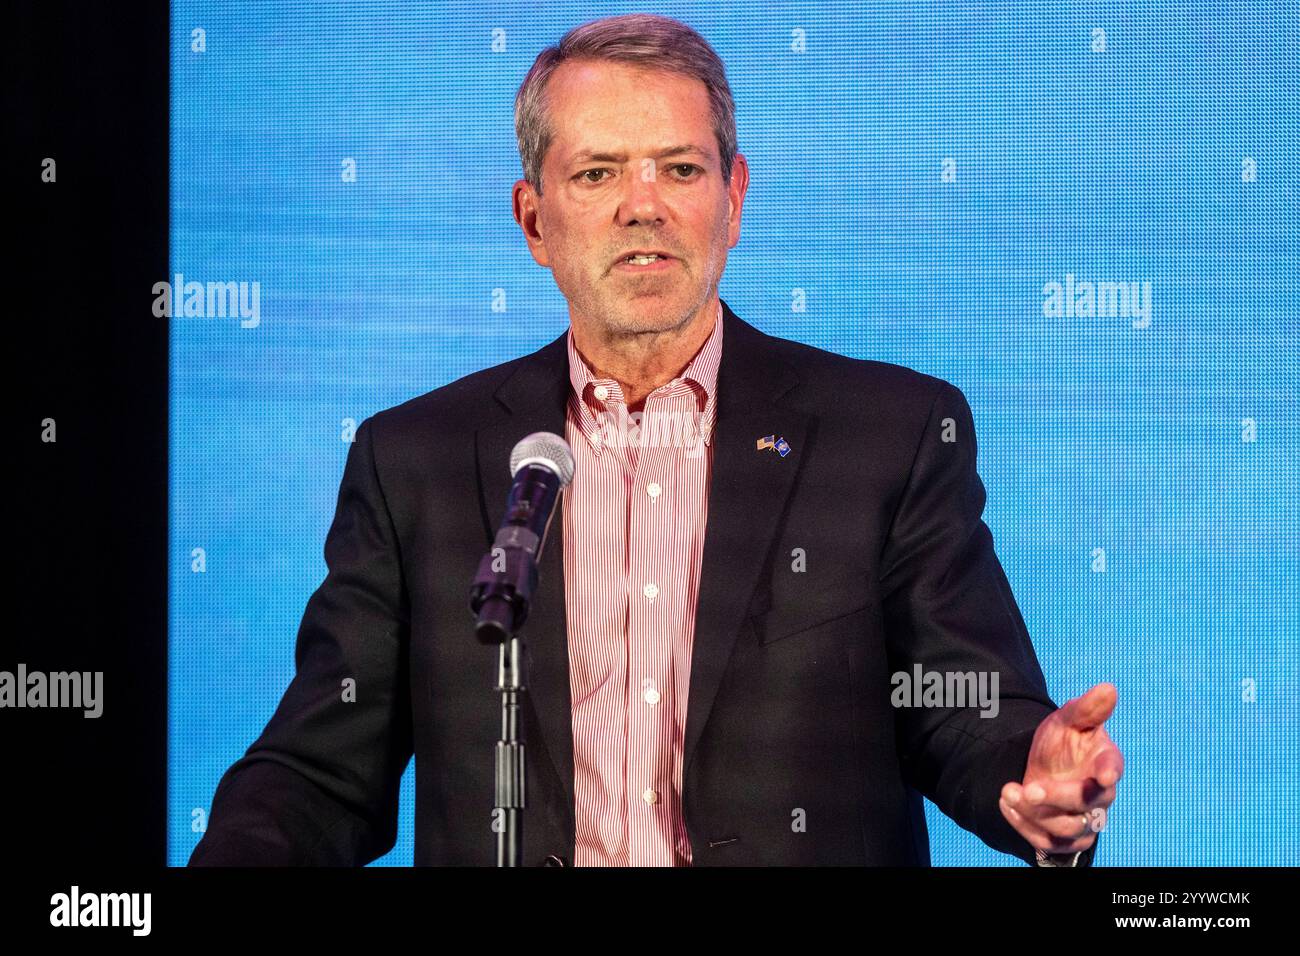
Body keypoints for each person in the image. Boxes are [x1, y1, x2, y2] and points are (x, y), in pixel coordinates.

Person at [190, 13, 1123, 867]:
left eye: (680, 169)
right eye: (598, 174)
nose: (645, 205)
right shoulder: (417, 462)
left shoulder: (888, 434)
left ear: (734, 196)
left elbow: (958, 706)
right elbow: (319, 770)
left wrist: (1032, 774)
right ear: (533, 221)